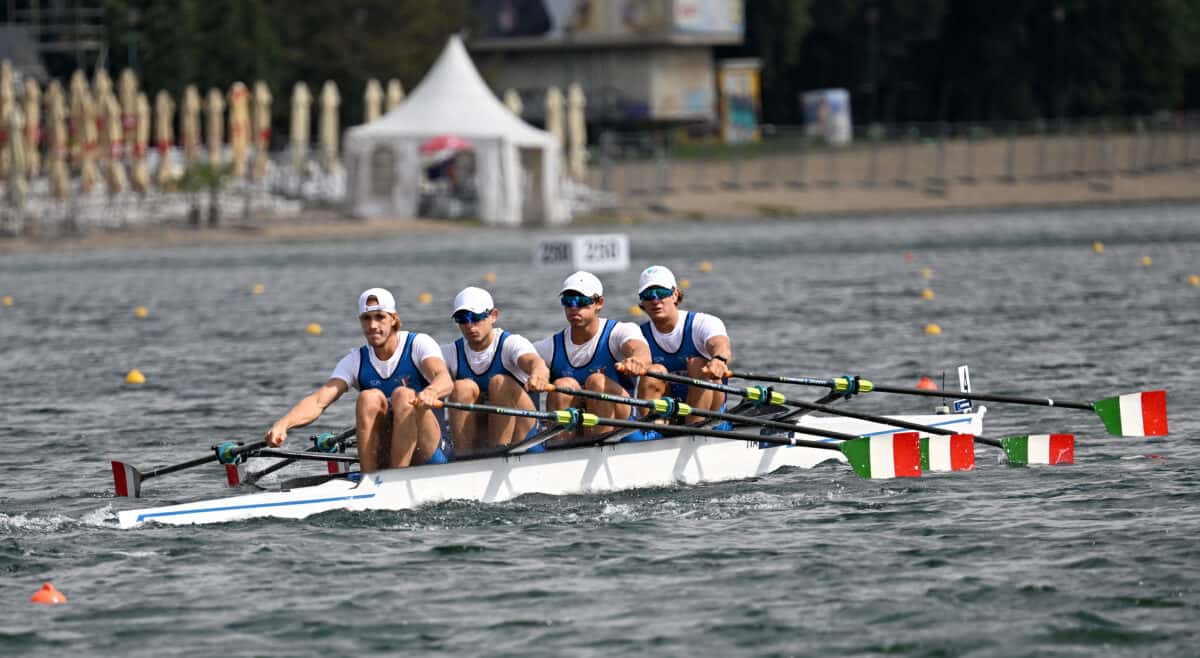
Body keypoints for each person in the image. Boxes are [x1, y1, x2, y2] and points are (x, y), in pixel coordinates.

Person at [263, 288, 453, 472]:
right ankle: (369, 477)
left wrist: (431, 392)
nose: (373, 325)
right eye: (366, 318)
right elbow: (318, 401)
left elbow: (443, 378)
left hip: (430, 452)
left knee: (403, 395)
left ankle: (394, 478)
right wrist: (284, 424)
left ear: (394, 319)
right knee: (368, 398)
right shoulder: (356, 360)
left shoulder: (418, 344)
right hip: (388, 454)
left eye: (380, 317)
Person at [534, 271, 652, 436]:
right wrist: (535, 374)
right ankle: (559, 444)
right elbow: (526, 360)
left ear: (599, 303)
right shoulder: (550, 346)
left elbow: (640, 350)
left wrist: (637, 360)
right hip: (578, 429)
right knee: (563, 386)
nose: (574, 307)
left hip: (623, 425)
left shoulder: (620, 331)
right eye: (568, 301)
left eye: (582, 301)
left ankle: (601, 441)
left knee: (597, 381)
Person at [441, 286, 550, 455]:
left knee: (499, 382)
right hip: (479, 438)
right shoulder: (450, 353)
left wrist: (538, 375)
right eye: (462, 319)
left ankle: (498, 452)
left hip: (524, 437)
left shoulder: (512, 343)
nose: (469, 325)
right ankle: (464, 457)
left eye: (475, 317)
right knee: (462, 388)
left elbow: (535, 362)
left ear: (493, 315)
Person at [634, 265, 732, 421]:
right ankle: (654, 428)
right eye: (648, 295)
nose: (655, 300)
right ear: (642, 301)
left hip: (711, 409)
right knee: (654, 372)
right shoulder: (637, 335)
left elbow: (720, 344)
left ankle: (695, 425)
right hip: (670, 409)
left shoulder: (703, 323)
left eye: (661, 293)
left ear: (675, 294)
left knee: (698, 364)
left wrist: (719, 359)